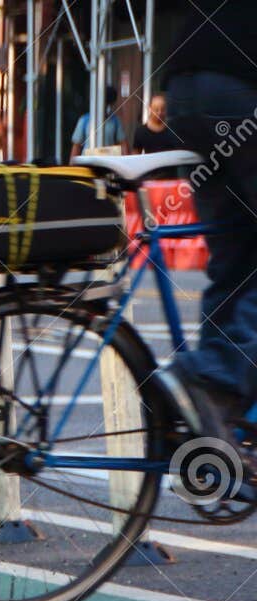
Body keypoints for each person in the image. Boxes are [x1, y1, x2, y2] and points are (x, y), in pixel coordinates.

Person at [157, 1, 257, 454]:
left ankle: (217, 438)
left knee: (234, 263)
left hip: (184, 89)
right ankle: (216, 377)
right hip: (239, 90)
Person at [70, 86, 124, 159]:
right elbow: (76, 146)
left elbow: (123, 144)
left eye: (107, 103)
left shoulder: (115, 121)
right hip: (88, 162)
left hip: (108, 162)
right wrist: (72, 164)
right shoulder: (84, 120)